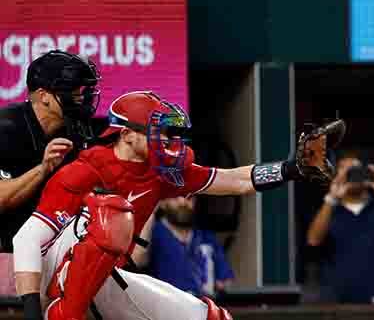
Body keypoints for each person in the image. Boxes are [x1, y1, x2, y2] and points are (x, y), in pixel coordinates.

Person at [12, 91, 331, 320]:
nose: (166, 140)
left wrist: (293, 168)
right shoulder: (84, 170)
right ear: (125, 135)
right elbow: (26, 240)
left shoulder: (160, 172)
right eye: (157, 132)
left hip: (109, 278)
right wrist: (31, 311)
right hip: (55, 279)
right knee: (107, 214)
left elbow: (234, 180)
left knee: (211, 317)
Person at [0, 51, 100, 295]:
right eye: (71, 91)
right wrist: (43, 169)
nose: (80, 98)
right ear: (43, 96)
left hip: (59, 257)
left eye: (81, 91)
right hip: (7, 256)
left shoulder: (78, 130)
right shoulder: (6, 128)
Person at [307, 151, 374, 304]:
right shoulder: (328, 213)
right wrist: (332, 198)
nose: (352, 175)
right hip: (337, 301)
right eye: (346, 171)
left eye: (356, 170)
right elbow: (314, 240)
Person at [132, 196, 235, 298]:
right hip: (165, 307)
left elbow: (224, 280)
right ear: (162, 203)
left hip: (203, 307)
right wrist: (150, 212)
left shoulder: (206, 236)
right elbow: (137, 259)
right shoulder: (153, 233)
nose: (183, 202)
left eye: (188, 197)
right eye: (176, 197)